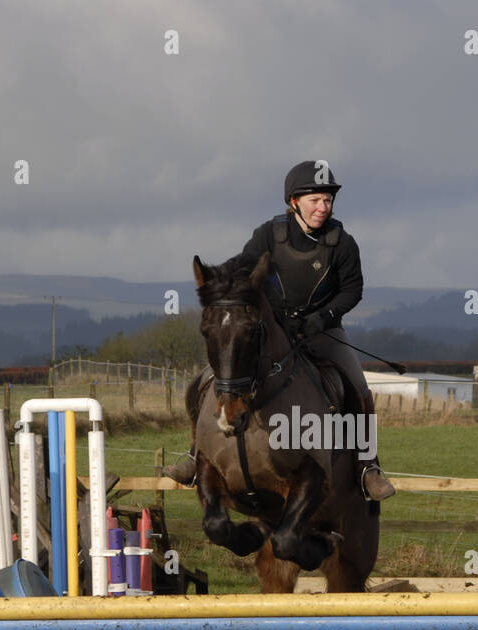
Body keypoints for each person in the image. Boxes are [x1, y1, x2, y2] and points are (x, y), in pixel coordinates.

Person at [164, 161, 395, 501]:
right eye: (315, 200)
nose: (323, 207)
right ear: (293, 202)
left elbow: (352, 290)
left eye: (328, 200)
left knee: (357, 384)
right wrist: (213, 277)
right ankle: (194, 453)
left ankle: (368, 465)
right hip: (273, 328)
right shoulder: (269, 235)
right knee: (208, 379)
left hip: (322, 329)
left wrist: (321, 317)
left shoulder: (343, 243)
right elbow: (241, 263)